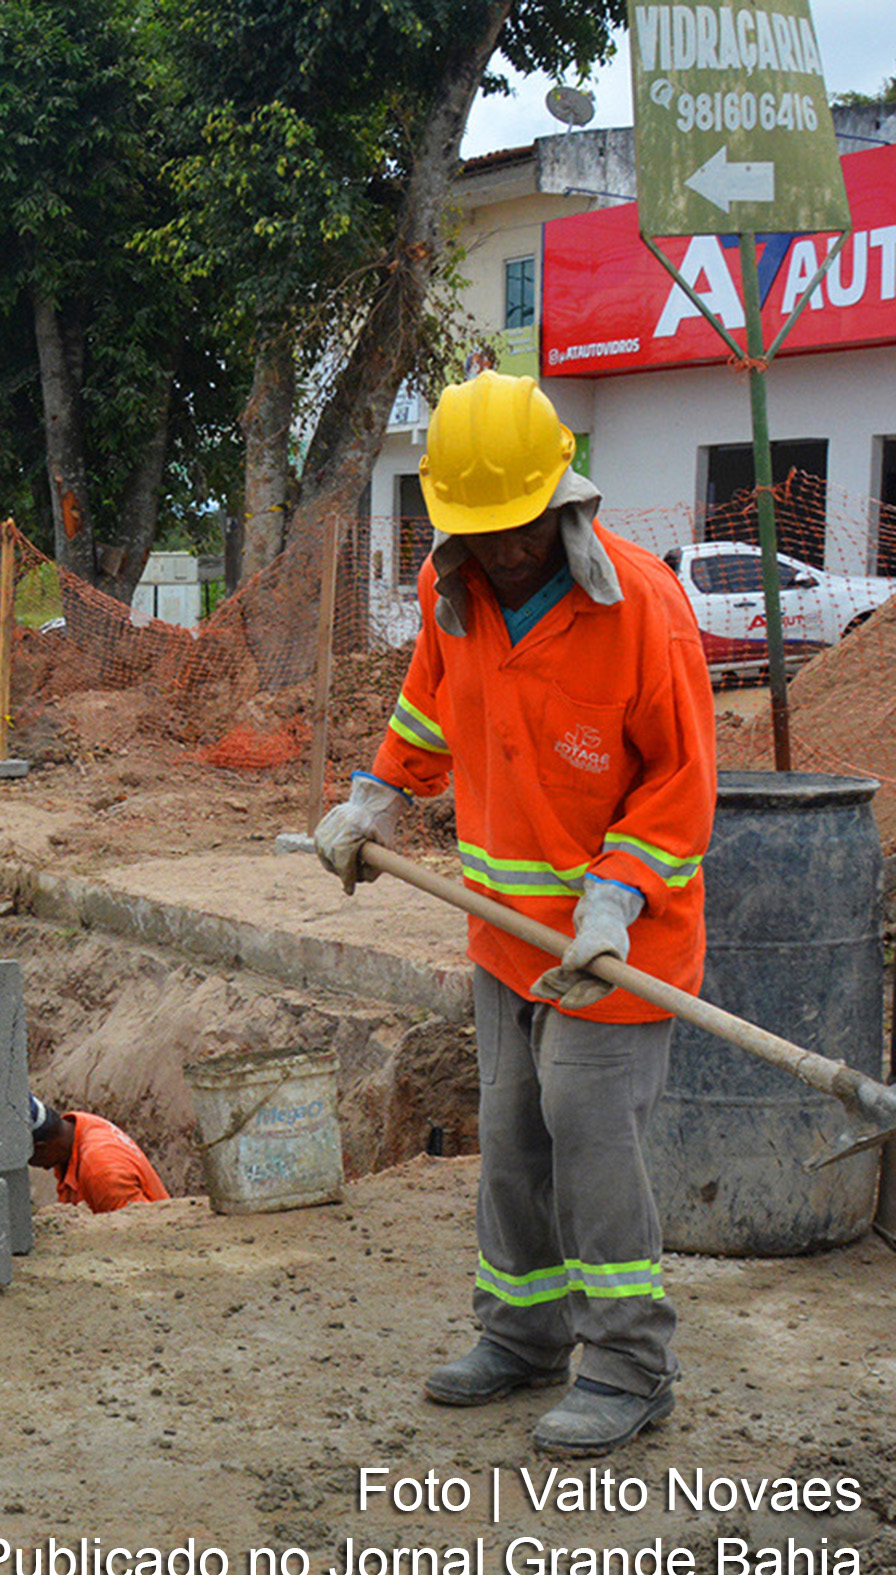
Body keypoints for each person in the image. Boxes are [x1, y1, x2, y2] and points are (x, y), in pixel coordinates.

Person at [314, 370, 714, 1458]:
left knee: (589, 1143)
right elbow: (425, 720)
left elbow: (682, 784)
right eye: (483, 536)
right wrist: (374, 802)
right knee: (511, 1145)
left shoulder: (644, 615)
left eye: (523, 529)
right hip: (504, 938)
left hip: (613, 949)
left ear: (564, 502)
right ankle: (522, 1337)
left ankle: (631, 1368)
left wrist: (615, 898)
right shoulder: (462, 608)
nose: (507, 553)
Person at [29, 1096, 167, 1213]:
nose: (31, 1164)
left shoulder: (101, 1173)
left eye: (29, 1158)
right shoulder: (73, 1131)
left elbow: (136, 1236)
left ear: (41, 1148)